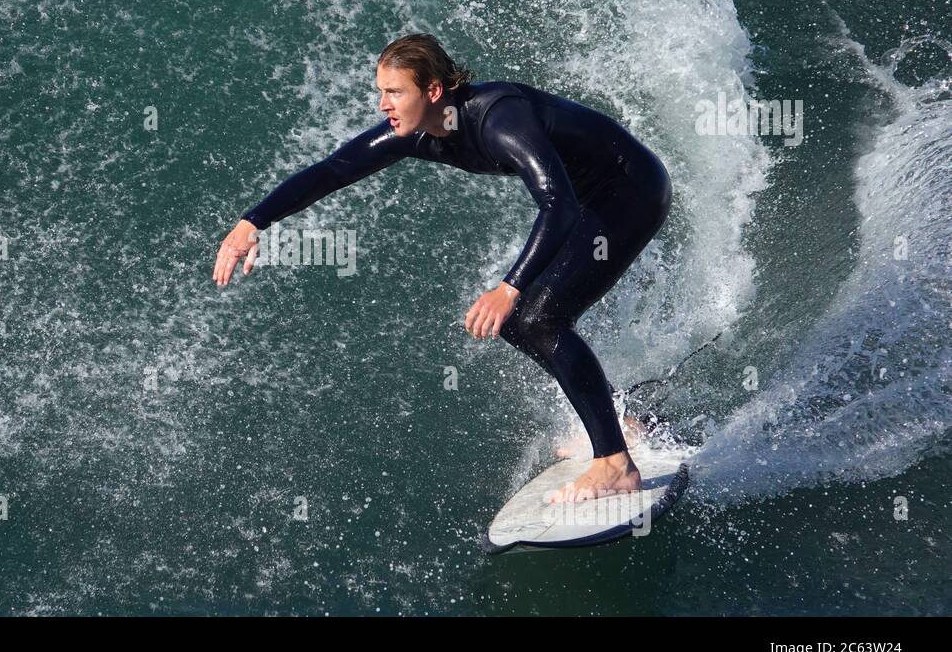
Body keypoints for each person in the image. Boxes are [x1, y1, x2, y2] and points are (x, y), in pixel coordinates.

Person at [213, 33, 673, 504]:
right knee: (521, 326)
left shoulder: (498, 119)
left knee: (535, 318)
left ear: (433, 91)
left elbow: (557, 204)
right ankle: (621, 424)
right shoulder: (414, 132)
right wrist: (255, 220)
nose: (383, 104)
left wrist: (510, 286)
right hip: (583, 202)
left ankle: (615, 463)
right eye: (381, 91)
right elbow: (334, 169)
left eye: (395, 92)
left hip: (629, 192)